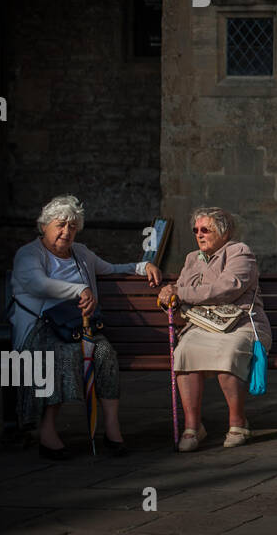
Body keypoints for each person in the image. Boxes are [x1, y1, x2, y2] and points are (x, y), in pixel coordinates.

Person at [10, 195, 163, 459]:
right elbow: (38, 284)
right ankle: (47, 431)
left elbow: (112, 268)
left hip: (78, 326)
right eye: (60, 225)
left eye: (72, 226)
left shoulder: (81, 253)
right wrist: (79, 289)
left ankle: (112, 428)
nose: (66, 231)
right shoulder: (28, 254)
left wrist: (143, 265)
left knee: (104, 353)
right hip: (40, 329)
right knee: (63, 354)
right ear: (44, 226)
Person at [156, 207, 271, 451]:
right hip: (203, 324)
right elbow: (183, 287)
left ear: (224, 231)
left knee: (228, 352)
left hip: (240, 324)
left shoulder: (239, 252)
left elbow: (226, 289)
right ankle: (193, 426)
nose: (199, 234)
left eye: (205, 229)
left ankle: (238, 422)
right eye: (196, 230)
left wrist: (182, 292)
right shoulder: (192, 258)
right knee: (184, 352)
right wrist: (170, 294)